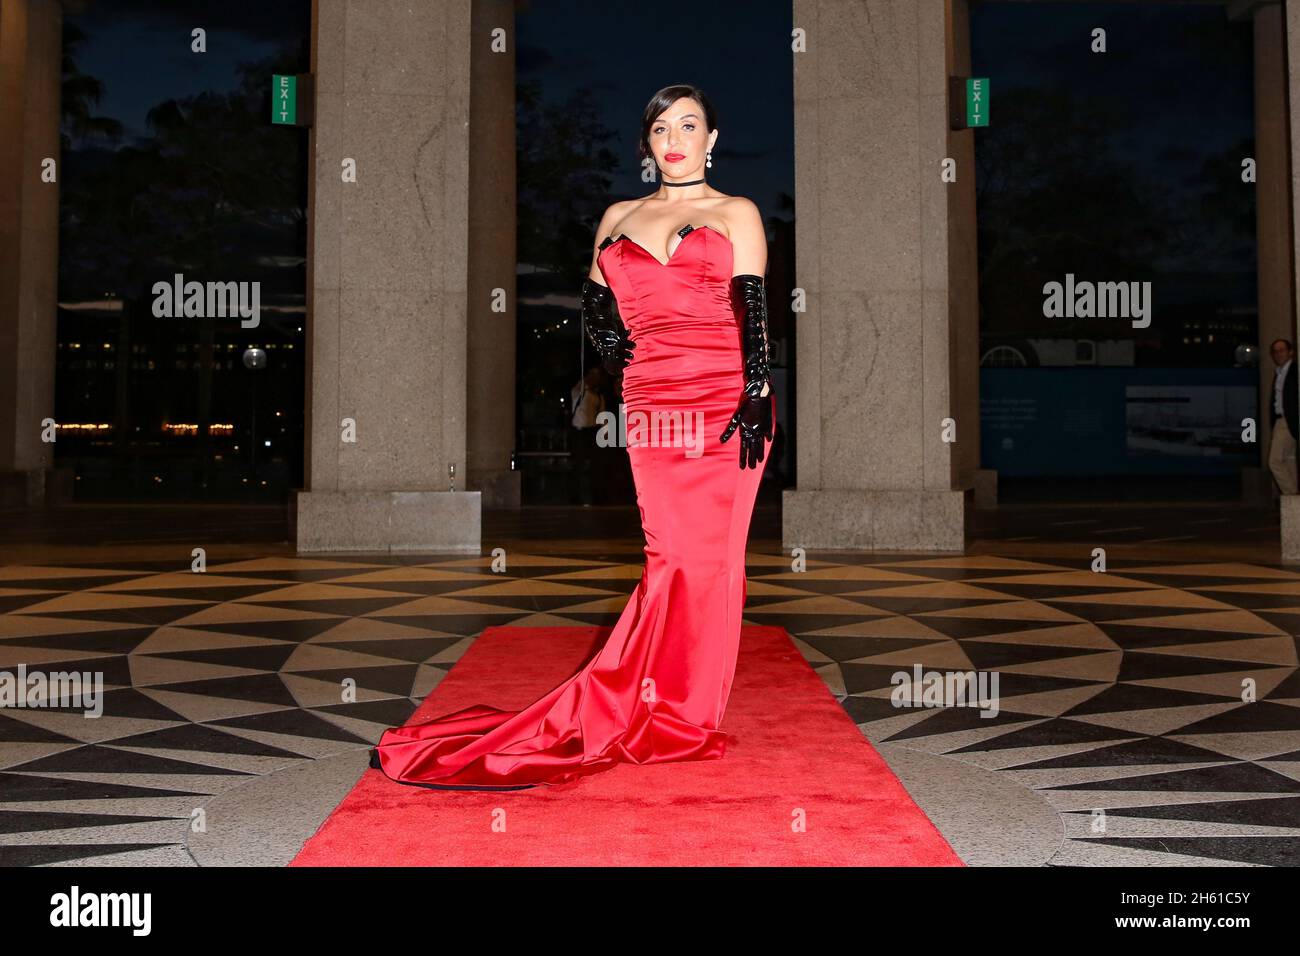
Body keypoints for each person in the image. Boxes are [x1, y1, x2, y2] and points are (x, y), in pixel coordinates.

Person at [367, 85, 775, 790]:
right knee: (669, 558)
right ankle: (651, 700)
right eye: (660, 127)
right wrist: (627, 374)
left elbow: (754, 312)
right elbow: (594, 307)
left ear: (712, 139)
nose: (674, 138)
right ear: (646, 143)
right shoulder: (619, 216)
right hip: (653, 407)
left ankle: (685, 710)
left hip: (724, 406)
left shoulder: (735, 212)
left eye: (689, 125)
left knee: (711, 565)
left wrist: (758, 394)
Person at [570, 366, 606, 505]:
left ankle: (596, 495)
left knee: (595, 466)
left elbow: (601, 415)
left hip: (592, 431)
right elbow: (579, 387)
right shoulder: (579, 391)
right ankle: (575, 496)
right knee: (578, 466)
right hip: (579, 431)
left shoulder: (598, 395)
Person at [1268, 338, 1298, 497]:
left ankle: (1292, 496)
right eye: (1275, 351)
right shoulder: (1279, 372)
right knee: (1288, 460)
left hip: (1288, 420)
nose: (1278, 354)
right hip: (1280, 421)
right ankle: (1294, 503)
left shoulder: (1294, 370)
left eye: (1282, 350)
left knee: (1275, 462)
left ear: (1290, 352)